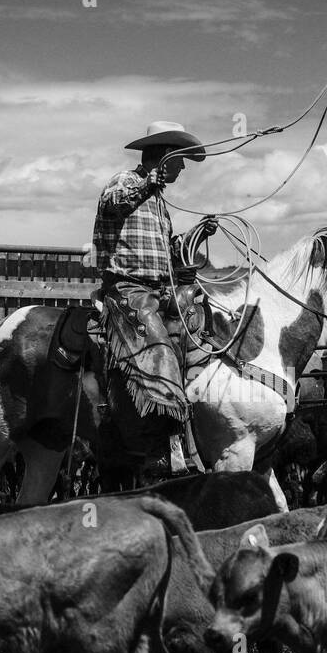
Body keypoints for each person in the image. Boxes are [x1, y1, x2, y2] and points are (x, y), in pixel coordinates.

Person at [92, 120, 217, 475]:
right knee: (157, 348)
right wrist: (150, 182)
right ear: (164, 159)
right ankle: (156, 442)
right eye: (179, 163)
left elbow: (170, 253)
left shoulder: (159, 203)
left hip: (161, 288)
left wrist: (196, 234)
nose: (181, 170)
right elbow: (114, 205)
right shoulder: (125, 182)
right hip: (127, 288)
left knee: (202, 326)